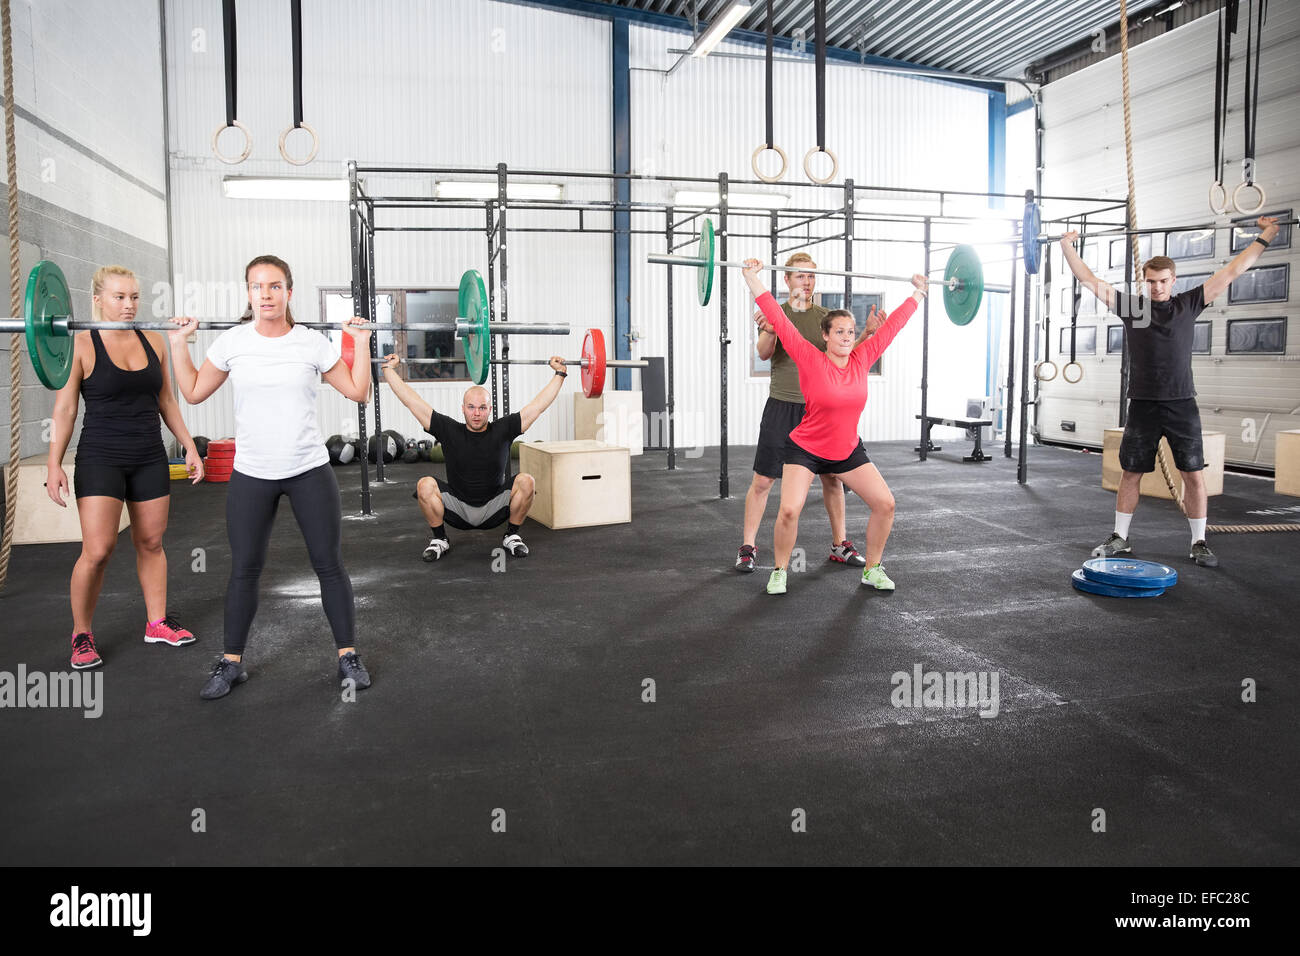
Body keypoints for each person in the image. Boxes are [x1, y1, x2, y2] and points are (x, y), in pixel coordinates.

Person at [168, 254, 373, 700]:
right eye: (258, 286)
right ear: (248, 293)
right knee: (245, 568)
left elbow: (359, 391)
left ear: (288, 293)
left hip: (308, 470)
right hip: (252, 473)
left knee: (329, 565)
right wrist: (178, 344)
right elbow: (194, 392)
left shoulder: (311, 343)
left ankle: (348, 656)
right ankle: (231, 662)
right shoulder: (232, 342)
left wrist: (360, 344)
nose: (266, 294)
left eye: (275, 286)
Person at [1059, 215, 1281, 568]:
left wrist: (1267, 235)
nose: (1157, 287)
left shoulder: (1188, 304)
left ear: (1173, 280)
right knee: (1131, 472)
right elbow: (1088, 279)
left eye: (1163, 281)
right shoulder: (1134, 308)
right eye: (1150, 282)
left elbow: (1234, 271)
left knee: (1193, 474)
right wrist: (1067, 245)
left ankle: (1199, 542)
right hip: (1143, 405)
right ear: (1144, 282)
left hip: (1181, 403)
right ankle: (1120, 538)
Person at [46, 265, 204, 670]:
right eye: (119, 297)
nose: (129, 305)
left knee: (151, 542)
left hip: (149, 455)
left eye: (134, 297)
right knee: (98, 550)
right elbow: (65, 410)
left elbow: (167, 401)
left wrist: (188, 446)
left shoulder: (154, 339)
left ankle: (157, 623)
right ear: (97, 299)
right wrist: (54, 463)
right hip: (101, 456)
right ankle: (82, 635)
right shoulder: (81, 344)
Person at [740, 259, 926, 595]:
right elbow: (777, 316)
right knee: (789, 509)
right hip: (806, 448)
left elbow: (894, 326)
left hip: (846, 450)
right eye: (838, 332)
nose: (845, 337)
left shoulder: (862, 358)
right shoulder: (809, 358)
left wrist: (918, 293)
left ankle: (873, 569)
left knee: (886, 504)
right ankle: (780, 570)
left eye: (850, 332)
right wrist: (751, 276)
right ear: (824, 336)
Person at [737, 253, 881, 574]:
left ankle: (840, 544)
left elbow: (845, 356)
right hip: (782, 405)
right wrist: (772, 329)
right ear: (787, 280)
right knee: (763, 480)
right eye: (800, 276)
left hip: (819, 410)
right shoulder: (777, 314)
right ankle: (748, 546)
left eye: (811, 276)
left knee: (833, 478)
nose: (807, 282)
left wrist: (867, 334)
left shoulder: (826, 317)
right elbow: (762, 353)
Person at [378, 353, 568, 561]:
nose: (476, 413)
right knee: (425, 484)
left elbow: (538, 407)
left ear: (489, 410)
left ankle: (512, 535)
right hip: (457, 507)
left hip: (494, 507)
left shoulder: (503, 429)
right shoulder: (448, 430)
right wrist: (389, 370)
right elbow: (412, 402)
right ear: (463, 409)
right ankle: (440, 539)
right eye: (471, 407)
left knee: (526, 481)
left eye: (482, 408)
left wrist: (559, 374)